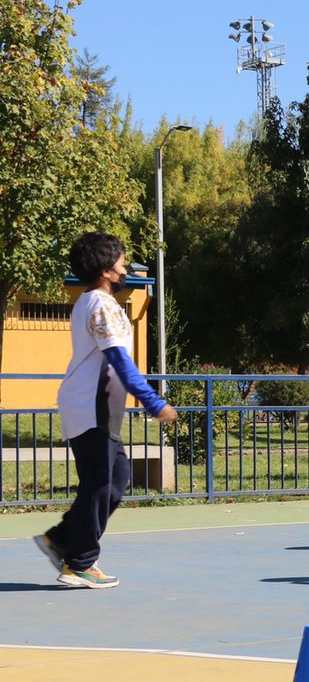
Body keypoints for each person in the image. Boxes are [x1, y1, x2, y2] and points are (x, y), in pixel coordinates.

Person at [34, 233, 179, 589]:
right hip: (92, 404)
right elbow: (118, 359)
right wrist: (153, 401)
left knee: (113, 481)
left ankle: (64, 538)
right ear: (105, 271)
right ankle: (79, 564)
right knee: (102, 484)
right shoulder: (101, 305)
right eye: (121, 262)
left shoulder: (95, 301)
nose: (125, 268)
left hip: (95, 405)